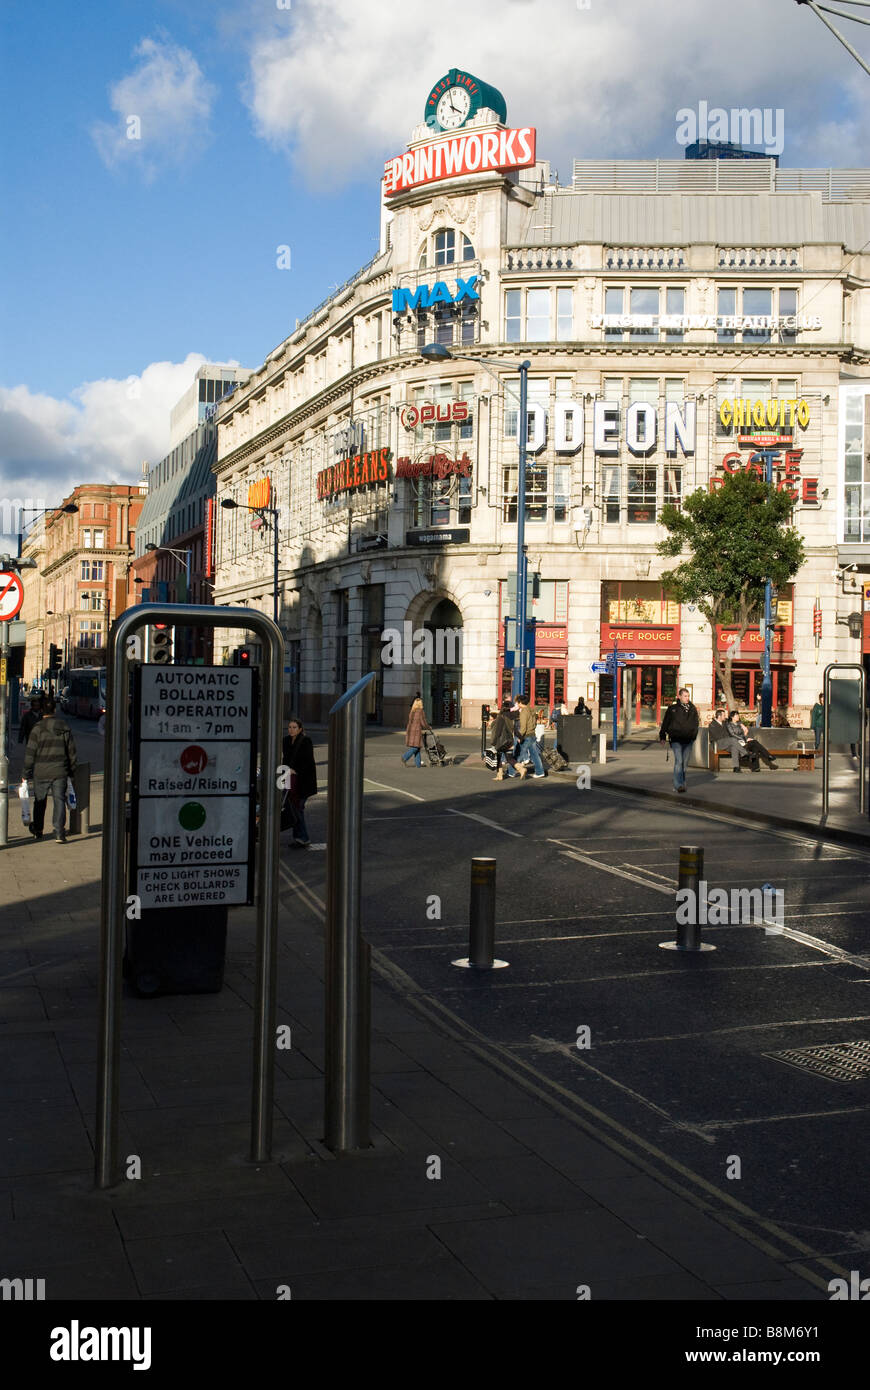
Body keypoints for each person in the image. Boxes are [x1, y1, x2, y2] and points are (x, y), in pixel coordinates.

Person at [22, 696, 77, 842]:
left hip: (41, 771)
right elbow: (71, 751)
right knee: (59, 800)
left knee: (40, 801)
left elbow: (30, 753)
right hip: (60, 770)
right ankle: (59, 832)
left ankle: (38, 830)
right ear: (55, 709)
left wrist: (25, 773)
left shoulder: (37, 729)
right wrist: (71, 770)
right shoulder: (64, 727)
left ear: (41, 710)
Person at [281, 717, 317, 847]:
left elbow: (308, 761)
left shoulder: (306, 741)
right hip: (290, 780)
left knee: (298, 808)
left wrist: (295, 770)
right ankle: (299, 837)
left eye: (294, 727)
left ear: (300, 729)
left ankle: (303, 837)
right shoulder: (285, 741)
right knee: (294, 809)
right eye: (290, 727)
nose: (291, 730)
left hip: (303, 781)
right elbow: (285, 759)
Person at [659, 686, 700, 793]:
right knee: (679, 761)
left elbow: (696, 723)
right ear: (680, 696)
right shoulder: (672, 709)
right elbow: (665, 723)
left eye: (688, 696)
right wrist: (662, 736)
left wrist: (694, 735)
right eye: (685, 696)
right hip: (676, 739)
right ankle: (678, 785)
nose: (687, 698)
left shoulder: (692, 708)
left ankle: (682, 782)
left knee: (685, 764)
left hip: (688, 739)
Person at [515, 694, 546, 779]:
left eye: (518, 702)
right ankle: (540, 772)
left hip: (526, 736)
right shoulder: (531, 710)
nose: (517, 704)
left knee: (519, 753)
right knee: (534, 755)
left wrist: (520, 737)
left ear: (520, 702)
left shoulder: (524, 712)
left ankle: (511, 771)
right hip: (532, 734)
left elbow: (523, 727)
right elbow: (535, 723)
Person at [490, 700, 520, 781]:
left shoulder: (501, 717)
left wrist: (493, 742)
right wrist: (520, 737)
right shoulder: (511, 718)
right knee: (510, 759)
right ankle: (521, 769)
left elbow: (498, 732)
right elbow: (515, 730)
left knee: (498, 758)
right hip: (510, 741)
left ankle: (499, 775)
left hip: (501, 742)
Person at [401, 694, 430, 768]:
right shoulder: (420, 711)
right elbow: (423, 722)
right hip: (417, 731)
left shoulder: (412, 711)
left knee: (417, 747)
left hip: (410, 730)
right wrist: (428, 727)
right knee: (416, 747)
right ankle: (404, 757)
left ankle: (418, 764)